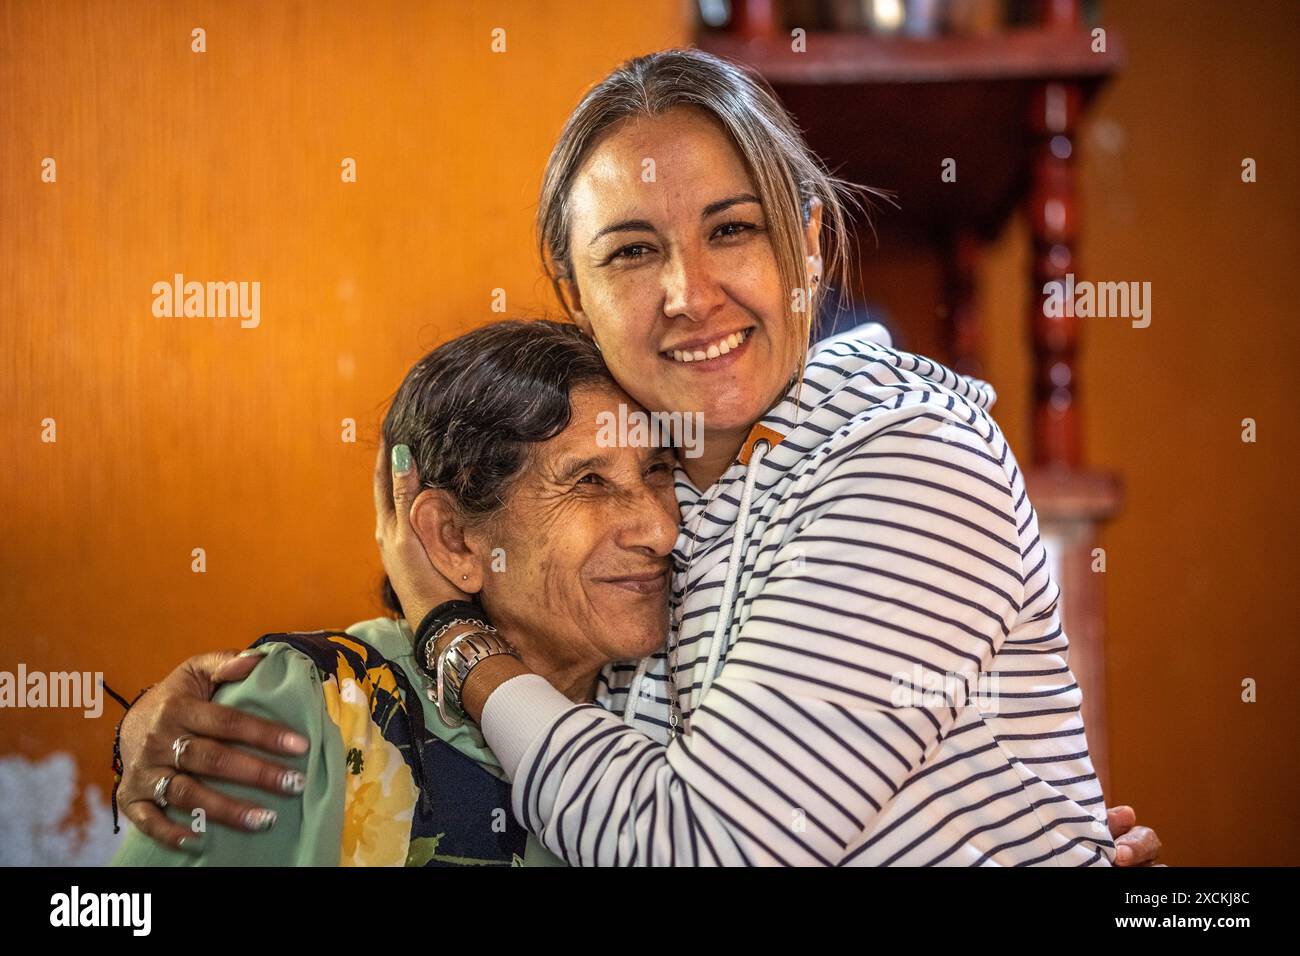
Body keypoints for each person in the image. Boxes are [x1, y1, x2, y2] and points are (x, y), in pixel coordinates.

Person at [115, 49, 1161, 866]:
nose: (688, 292)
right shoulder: (665, 515)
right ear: (574, 291)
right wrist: (175, 728)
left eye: (732, 230)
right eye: (631, 250)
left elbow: (698, 848)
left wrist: (450, 635)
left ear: (805, 245)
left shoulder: (908, 462)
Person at [113, 321, 677, 866]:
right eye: (588, 482)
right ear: (454, 539)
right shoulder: (313, 708)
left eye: (657, 470)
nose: (660, 529)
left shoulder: (678, 696)